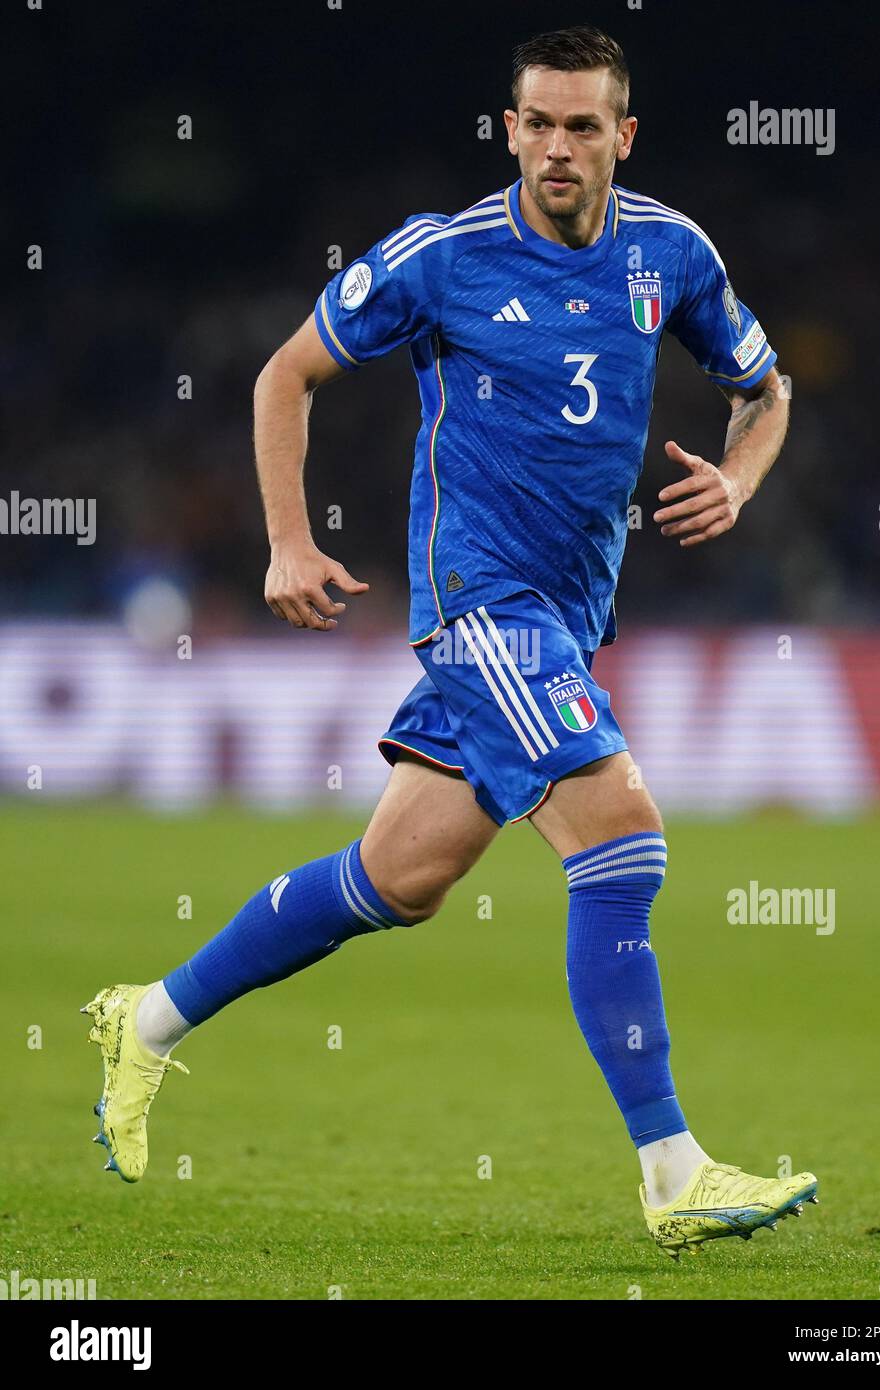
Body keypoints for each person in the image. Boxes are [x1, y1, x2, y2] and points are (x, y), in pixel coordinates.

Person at [84, 25, 817, 1259]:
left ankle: (143, 1019)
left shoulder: (672, 253)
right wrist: (285, 542)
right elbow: (283, 376)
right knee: (621, 838)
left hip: (567, 620)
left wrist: (741, 480)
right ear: (511, 129)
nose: (557, 147)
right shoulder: (446, 256)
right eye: (537, 123)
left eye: (584, 126)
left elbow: (769, 386)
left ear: (621, 138)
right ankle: (673, 1170)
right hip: (480, 606)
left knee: (398, 880)